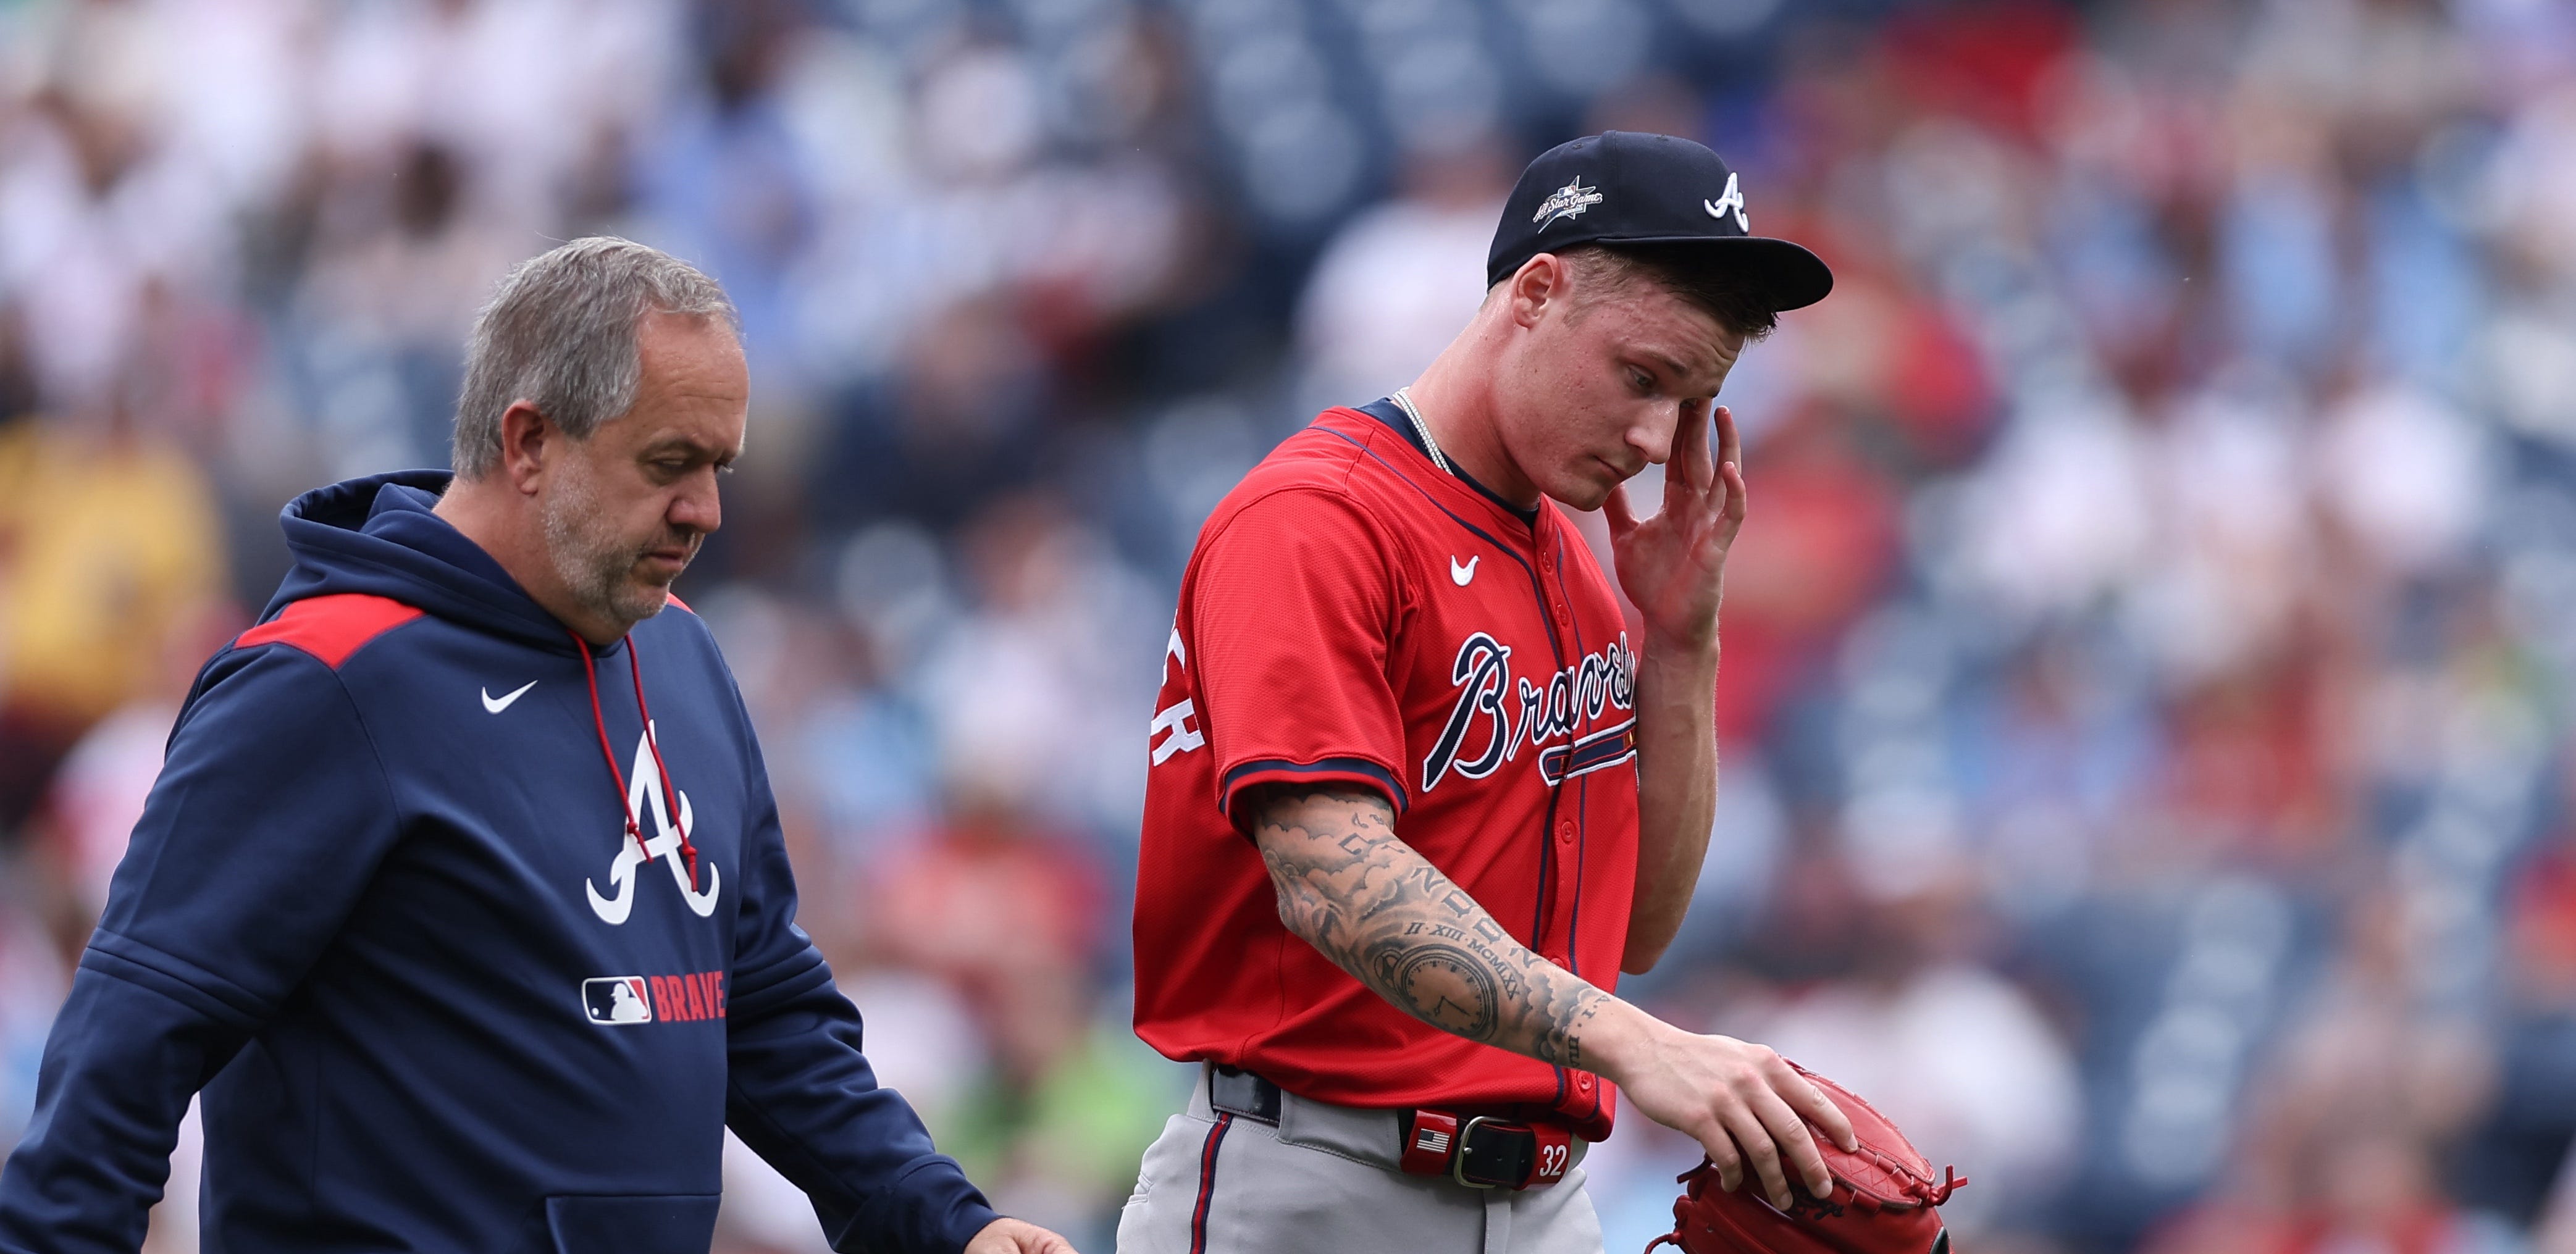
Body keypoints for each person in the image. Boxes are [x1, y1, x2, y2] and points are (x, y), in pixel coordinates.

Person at [0, 238, 1072, 1254]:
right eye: (669, 462)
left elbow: (761, 1008)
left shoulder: (684, 655)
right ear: (528, 443)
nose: (705, 510)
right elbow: (126, 1049)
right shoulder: (326, 681)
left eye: (720, 467)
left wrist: (948, 1223)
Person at [1123, 132, 1854, 1253]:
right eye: (1642, 378)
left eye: (1692, 400)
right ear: (1536, 293)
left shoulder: (1575, 567)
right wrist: (1640, 1044)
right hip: (1317, 1182)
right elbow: (1333, 882)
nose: (1656, 438)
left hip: (1545, 1202)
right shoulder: (1319, 520)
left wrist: (1680, 640)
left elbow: (1637, 929)